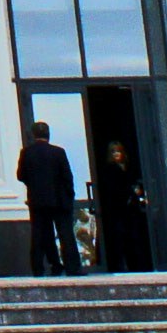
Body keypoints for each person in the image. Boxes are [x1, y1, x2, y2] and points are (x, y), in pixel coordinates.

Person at [16, 117, 80, 276]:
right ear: (48, 134)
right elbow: (67, 177)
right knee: (66, 235)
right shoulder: (58, 152)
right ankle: (72, 268)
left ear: (33, 134)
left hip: (37, 201)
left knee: (39, 235)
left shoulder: (27, 153)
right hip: (59, 201)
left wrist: (35, 185)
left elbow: (21, 175)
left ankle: (39, 268)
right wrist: (69, 196)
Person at [92, 128, 151, 272]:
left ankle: (136, 265)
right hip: (118, 210)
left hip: (131, 209)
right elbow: (115, 190)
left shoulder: (129, 168)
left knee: (134, 238)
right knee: (120, 240)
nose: (116, 154)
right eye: (113, 152)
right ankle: (120, 266)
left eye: (118, 151)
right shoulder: (111, 170)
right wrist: (131, 192)